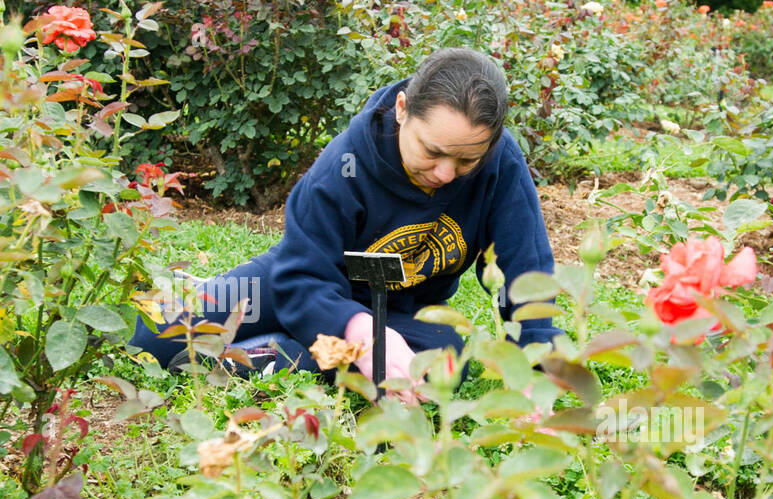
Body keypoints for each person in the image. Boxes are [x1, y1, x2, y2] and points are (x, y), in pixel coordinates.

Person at [129, 47, 564, 391]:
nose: (446, 173)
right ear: (401, 109)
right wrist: (361, 334)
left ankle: (282, 353)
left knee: (440, 360)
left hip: (398, 312)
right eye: (432, 152)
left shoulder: (499, 164)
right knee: (152, 340)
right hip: (294, 287)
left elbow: (526, 268)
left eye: (467, 158)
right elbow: (300, 276)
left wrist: (534, 373)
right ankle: (221, 305)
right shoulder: (346, 163)